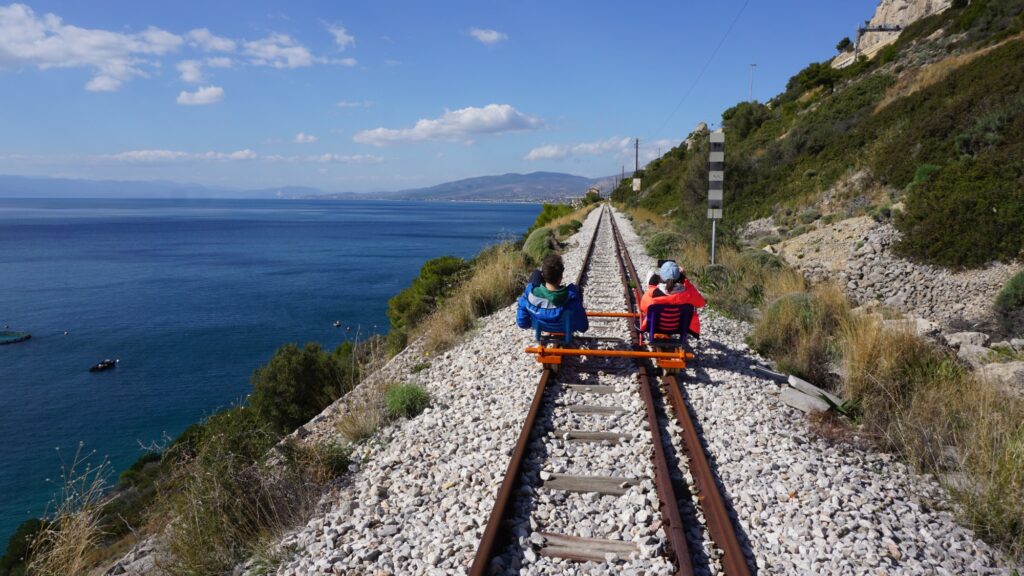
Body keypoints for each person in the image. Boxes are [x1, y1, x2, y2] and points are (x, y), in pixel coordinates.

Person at [516, 254, 589, 335]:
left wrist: (529, 324)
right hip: (564, 327)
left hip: (539, 326)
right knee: (576, 289)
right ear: (561, 276)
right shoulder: (572, 298)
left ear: (543, 276)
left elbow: (522, 323)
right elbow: (583, 327)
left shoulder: (530, 295)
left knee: (536, 273)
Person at [639, 260, 705, 337]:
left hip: (656, 326)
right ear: (680, 277)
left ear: (660, 277)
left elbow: (642, 307)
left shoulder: (652, 294)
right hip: (679, 328)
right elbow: (701, 303)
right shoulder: (689, 294)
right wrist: (686, 280)